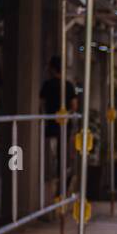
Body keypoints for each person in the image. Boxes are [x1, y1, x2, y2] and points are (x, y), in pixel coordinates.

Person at [40, 54, 79, 209]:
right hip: (64, 127)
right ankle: (60, 191)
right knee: (63, 159)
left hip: (49, 126)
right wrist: (65, 114)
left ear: (51, 68)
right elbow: (74, 106)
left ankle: (52, 192)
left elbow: (41, 104)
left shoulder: (47, 85)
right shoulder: (68, 85)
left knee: (50, 159)